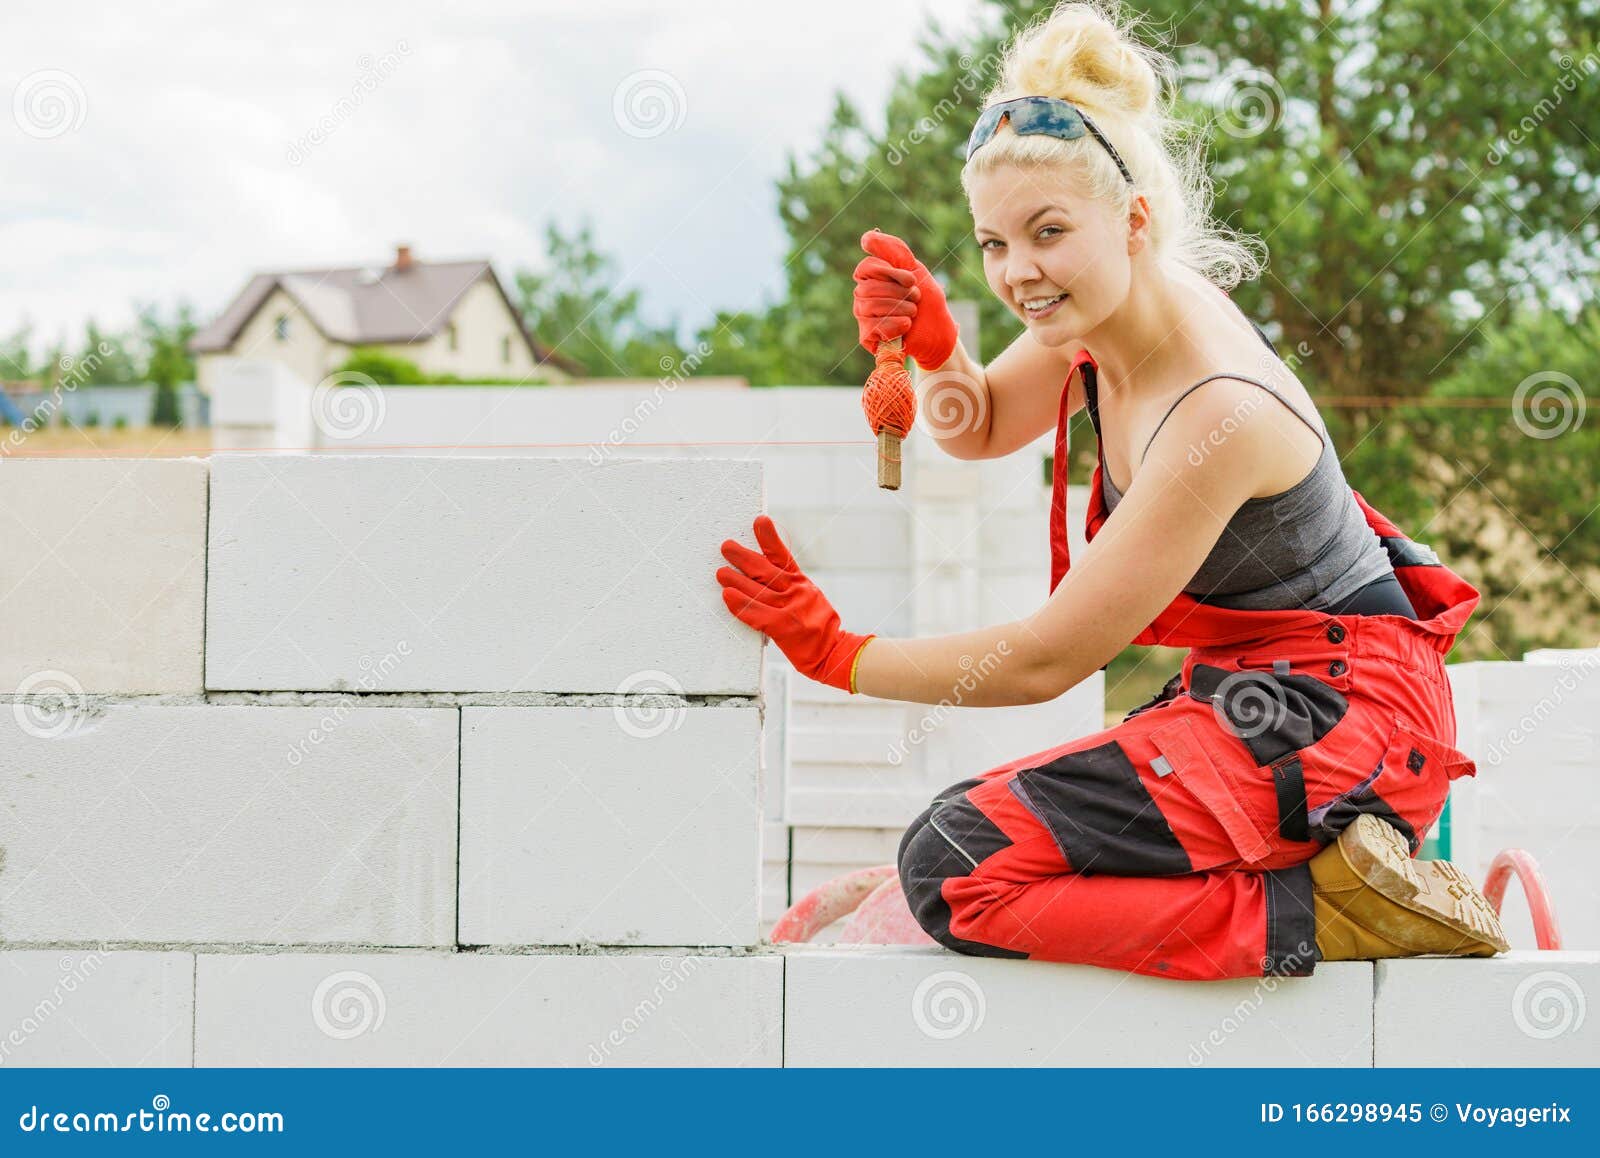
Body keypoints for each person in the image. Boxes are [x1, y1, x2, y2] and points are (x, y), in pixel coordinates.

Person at [714, 0, 1508, 979]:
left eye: (1044, 233)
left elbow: (1049, 659)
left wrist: (841, 656)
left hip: (1348, 729)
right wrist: (934, 346)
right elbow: (978, 430)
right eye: (993, 243)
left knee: (953, 862)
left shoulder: (1216, 409)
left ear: (1133, 220)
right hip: (1266, 702)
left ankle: (1317, 915)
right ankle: (1306, 897)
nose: (1017, 271)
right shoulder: (1099, 316)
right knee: (964, 841)